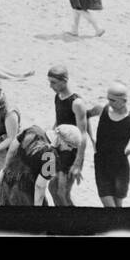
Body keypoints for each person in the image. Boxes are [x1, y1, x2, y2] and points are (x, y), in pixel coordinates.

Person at [86, 82, 130, 208]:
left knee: (118, 205)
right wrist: (92, 139)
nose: (109, 102)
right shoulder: (102, 109)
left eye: (112, 100)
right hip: (101, 163)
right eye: (108, 99)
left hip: (120, 167)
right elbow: (84, 116)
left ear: (124, 100)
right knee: (109, 206)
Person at [0, 124, 56, 206]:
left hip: (8, 179)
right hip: (26, 191)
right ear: (62, 142)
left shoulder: (33, 129)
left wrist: (5, 169)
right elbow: (39, 186)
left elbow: (12, 148)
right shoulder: (51, 155)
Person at [47, 65, 90, 205]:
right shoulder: (58, 97)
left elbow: (83, 134)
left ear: (64, 81)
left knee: (62, 192)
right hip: (59, 149)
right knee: (53, 189)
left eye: (53, 82)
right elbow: (58, 121)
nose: (50, 86)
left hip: (72, 153)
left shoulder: (77, 103)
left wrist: (78, 163)